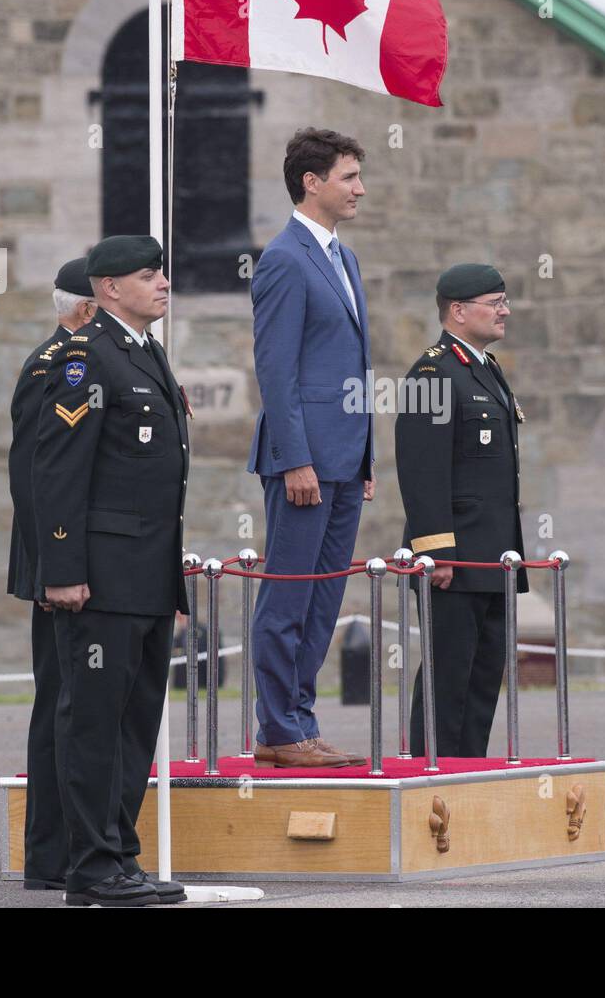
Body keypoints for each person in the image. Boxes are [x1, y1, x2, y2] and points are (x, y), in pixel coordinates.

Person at [32, 234, 191, 907]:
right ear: (107, 288)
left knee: (134, 720)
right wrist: (62, 567)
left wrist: (170, 584)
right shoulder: (82, 359)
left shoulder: (144, 352)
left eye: (161, 271)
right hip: (99, 575)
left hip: (146, 575)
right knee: (93, 719)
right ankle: (91, 865)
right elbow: (59, 474)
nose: (162, 282)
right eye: (146, 274)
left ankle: (119, 854)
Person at [247, 128, 375, 769]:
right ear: (312, 183)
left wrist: (367, 456)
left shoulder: (342, 259)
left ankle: (299, 722)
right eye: (349, 176)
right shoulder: (284, 258)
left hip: (345, 460)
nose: (359, 188)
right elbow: (276, 371)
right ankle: (278, 726)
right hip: (304, 464)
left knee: (323, 599)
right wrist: (296, 458)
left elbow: (355, 364)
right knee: (288, 595)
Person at [395, 263, 528, 759]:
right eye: (495, 303)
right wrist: (436, 552)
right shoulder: (433, 372)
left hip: (493, 554)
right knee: (447, 677)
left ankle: (468, 776)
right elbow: (422, 470)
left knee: (481, 679)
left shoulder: (484, 369)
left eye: (504, 301)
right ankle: (433, 775)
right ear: (458, 310)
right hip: (455, 558)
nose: (505, 311)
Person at [6, 256, 96, 892]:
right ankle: (50, 853)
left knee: (72, 703)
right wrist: (49, 571)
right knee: (61, 705)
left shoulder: (84, 360)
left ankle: (61, 850)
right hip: (58, 568)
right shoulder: (56, 366)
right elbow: (36, 478)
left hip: (73, 563)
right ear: (89, 309)